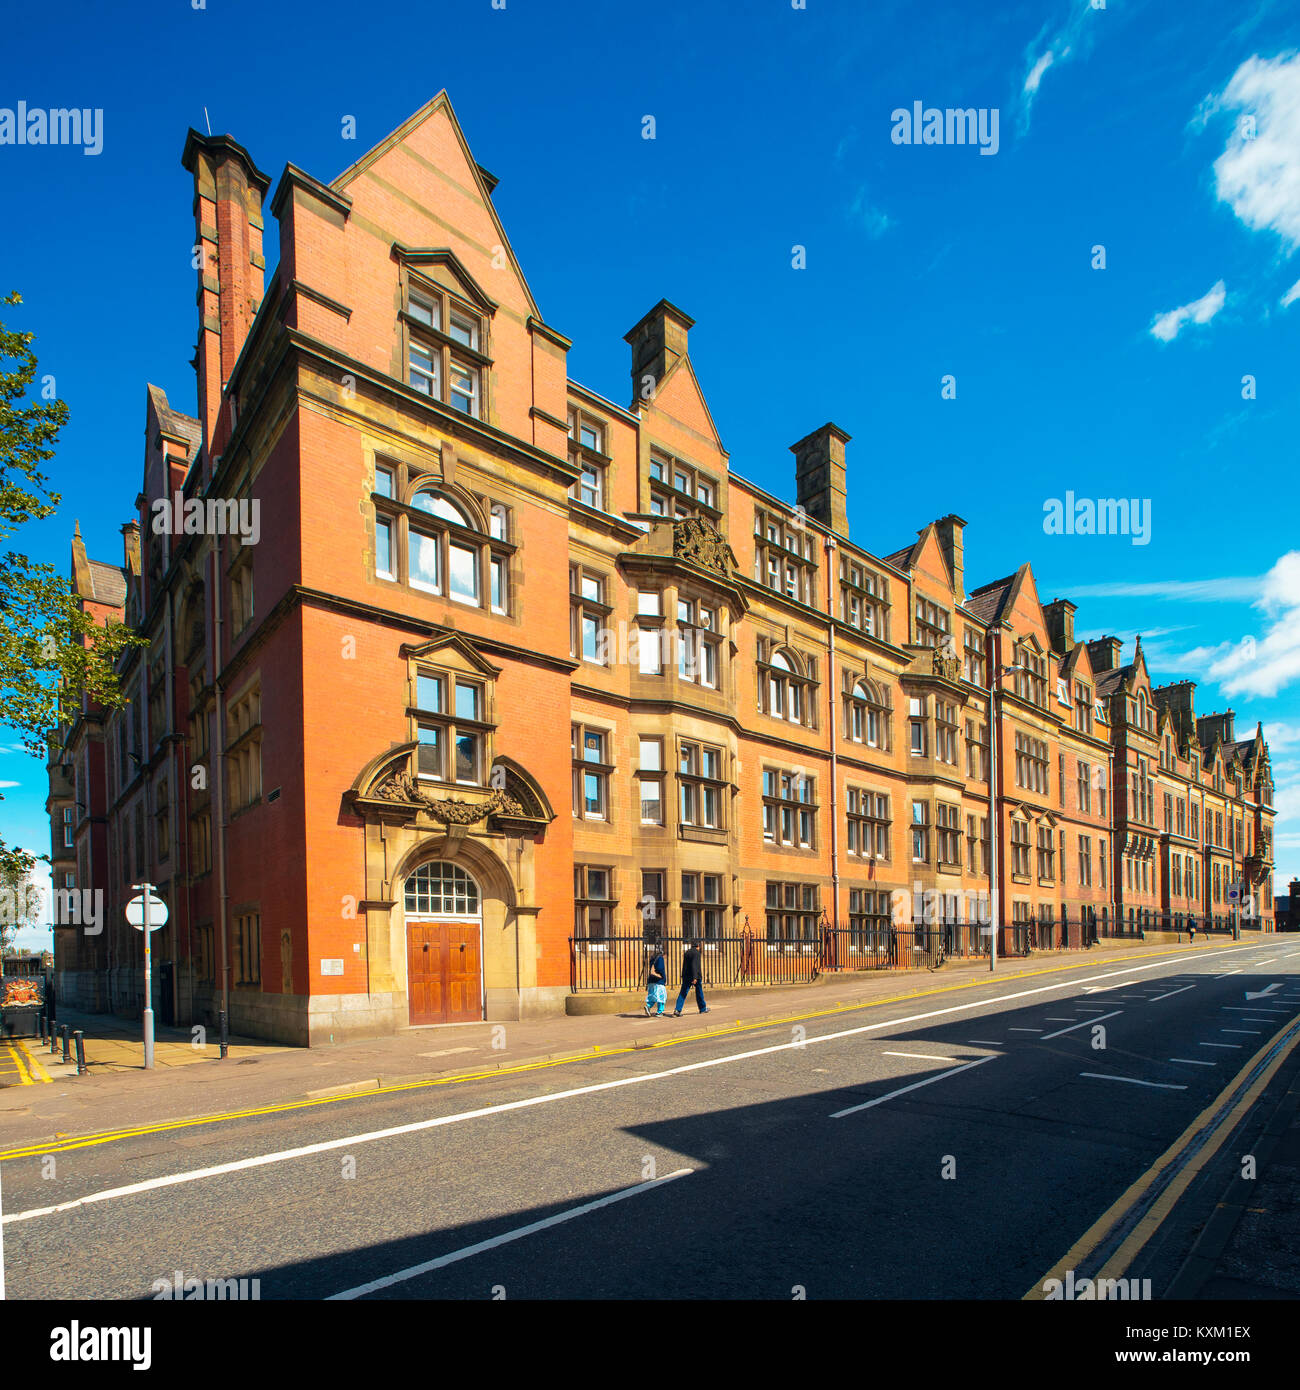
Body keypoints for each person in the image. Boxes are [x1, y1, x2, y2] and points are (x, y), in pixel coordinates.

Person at [672, 943, 710, 1016]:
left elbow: (685, 965)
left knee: (683, 993)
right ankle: (702, 1008)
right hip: (695, 976)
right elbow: (694, 965)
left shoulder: (687, 952)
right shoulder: (696, 953)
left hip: (686, 976)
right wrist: (695, 977)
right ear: (698, 946)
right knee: (699, 992)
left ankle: (677, 1010)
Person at [643, 945, 667, 1017]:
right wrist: (663, 977)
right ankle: (659, 1012)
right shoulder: (660, 958)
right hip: (658, 981)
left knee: (653, 996)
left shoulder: (652, 958)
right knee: (661, 997)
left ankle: (648, 1006)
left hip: (651, 981)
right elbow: (660, 969)